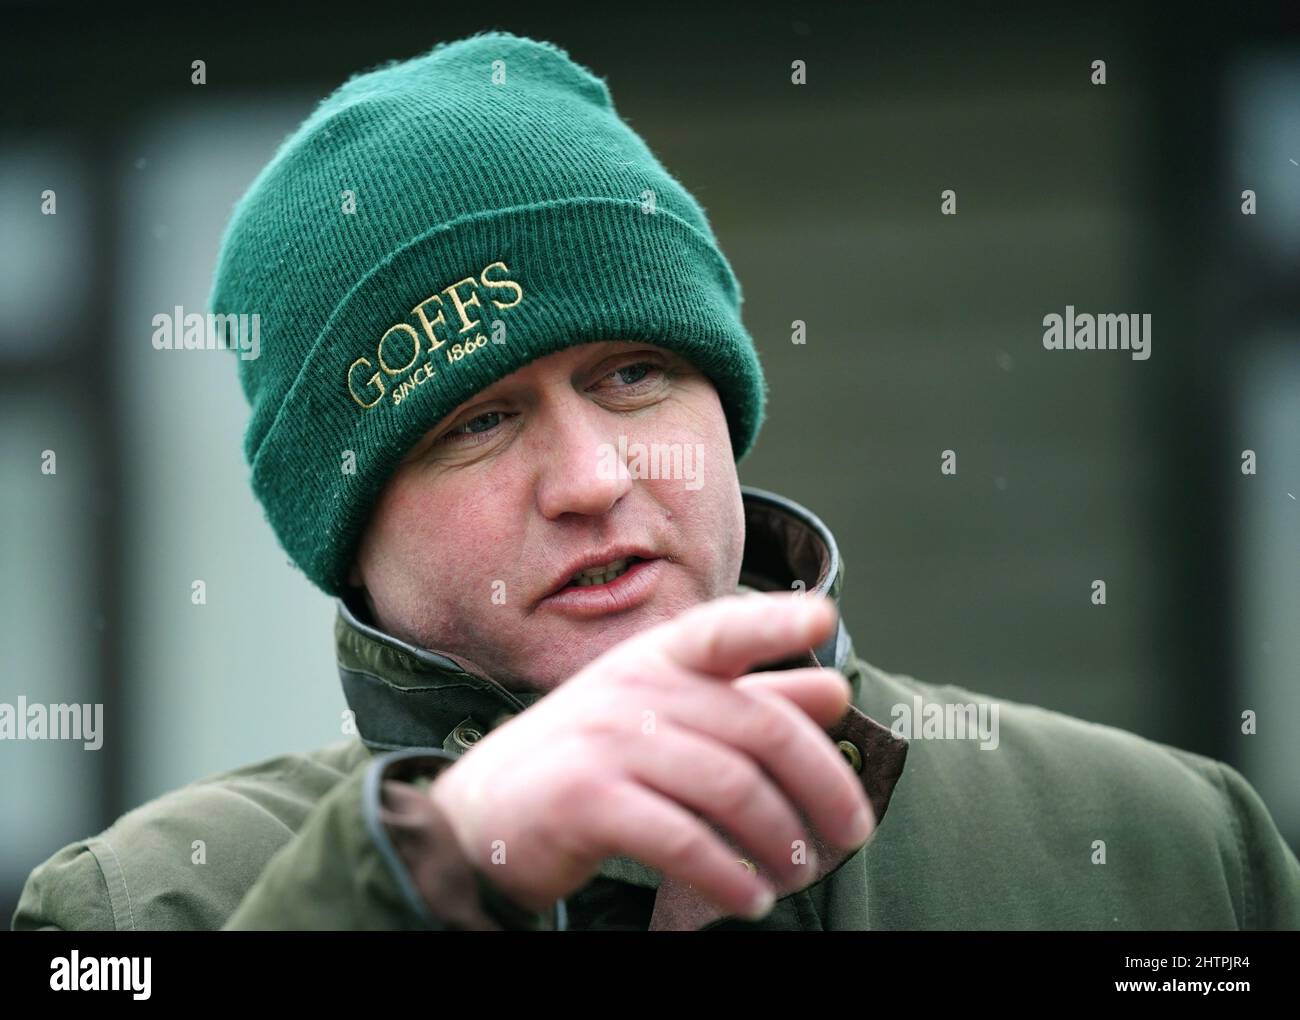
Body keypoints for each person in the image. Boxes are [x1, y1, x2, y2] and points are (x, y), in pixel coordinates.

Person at [13, 30, 1299, 932]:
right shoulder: (153, 909)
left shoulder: (1170, 851)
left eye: (634, 376)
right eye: (474, 423)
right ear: (342, 532)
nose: (588, 478)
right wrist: (433, 881)